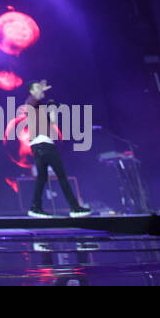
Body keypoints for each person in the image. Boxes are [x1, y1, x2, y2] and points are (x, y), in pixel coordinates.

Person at [21, 81, 92, 218]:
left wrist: (52, 106)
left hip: (40, 145)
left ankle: (35, 207)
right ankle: (74, 208)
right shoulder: (30, 102)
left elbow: (52, 121)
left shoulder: (39, 109)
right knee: (61, 176)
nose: (40, 89)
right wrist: (42, 91)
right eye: (37, 87)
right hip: (43, 145)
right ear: (31, 91)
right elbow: (35, 98)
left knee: (42, 177)